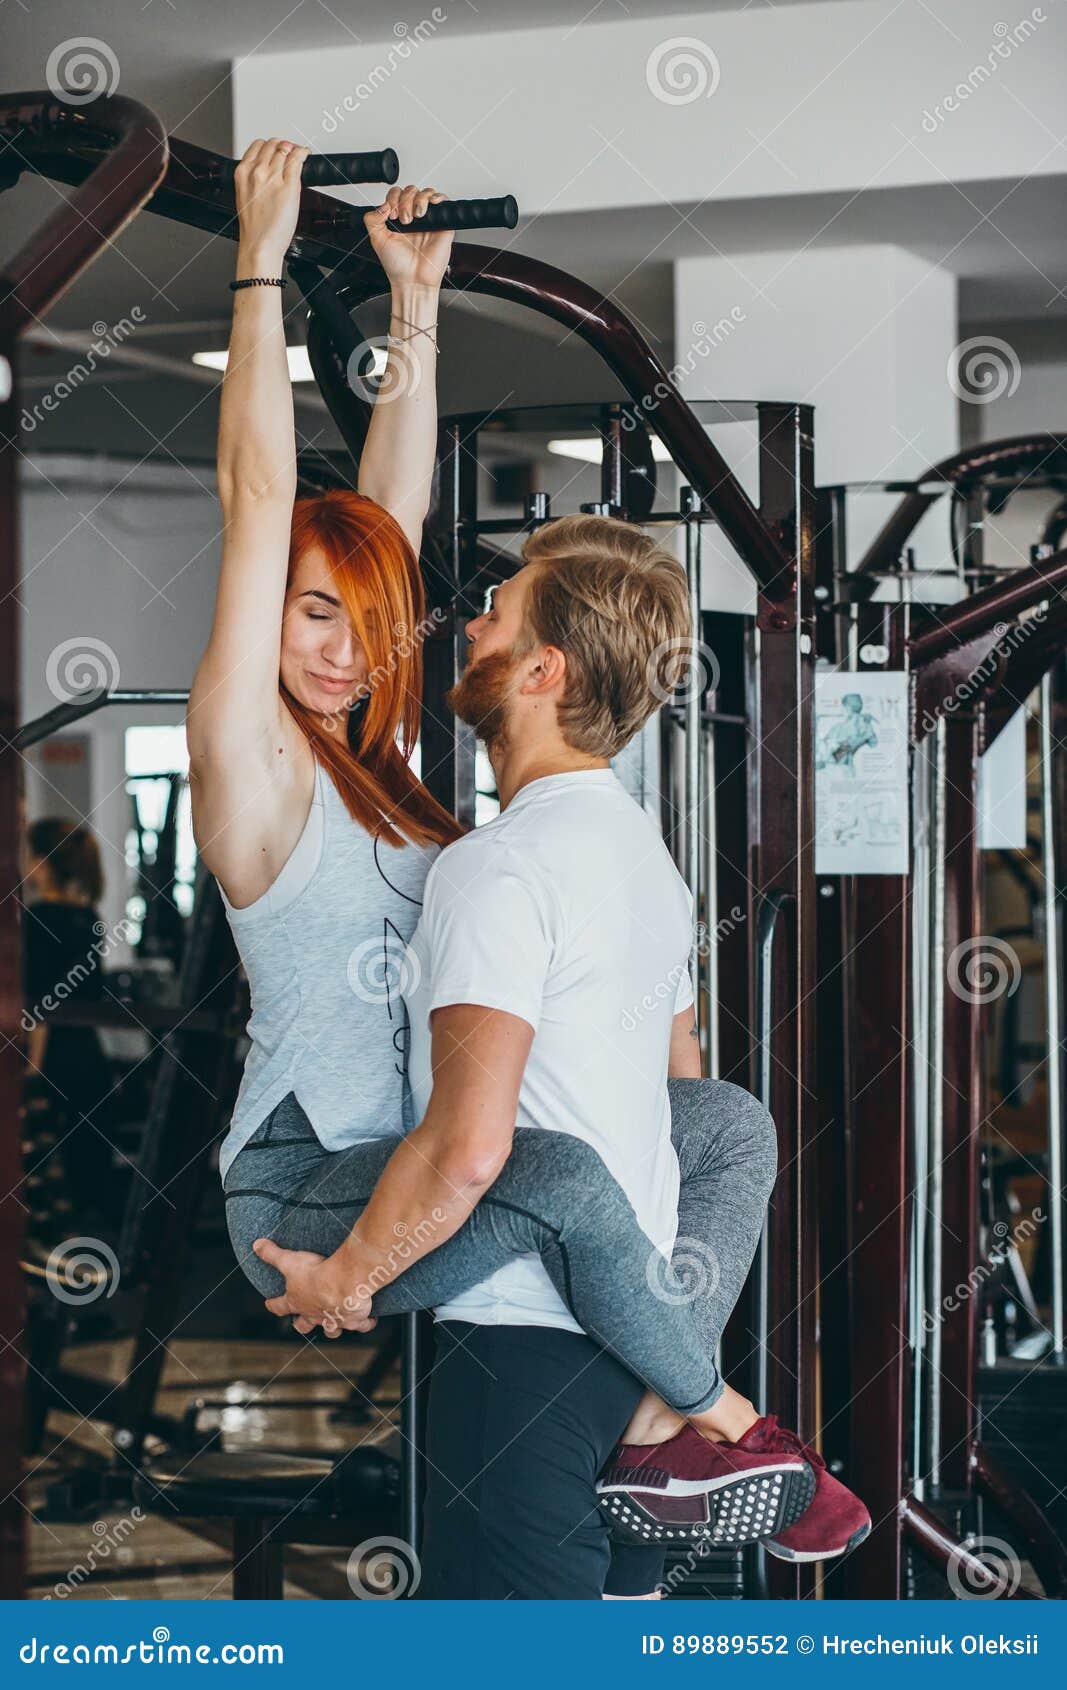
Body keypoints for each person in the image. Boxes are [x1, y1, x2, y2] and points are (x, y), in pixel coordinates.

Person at [201, 138, 868, 1597]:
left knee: (727, 1123)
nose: (336, 644)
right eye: (306, 614)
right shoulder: (248, 761)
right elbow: (262, 500)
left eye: (355, 622)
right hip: (306, 1190)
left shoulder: (389, 767)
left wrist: (413, 306)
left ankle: (649, 1401)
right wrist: (255, 263)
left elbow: (391, 526)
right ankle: (713, 1417)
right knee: (556, 1164)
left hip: (417, 1179)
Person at [21, 817, 118, 1230]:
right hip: (90, 1056)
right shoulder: (89, 917)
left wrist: (32, 1069)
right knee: (87, 1163)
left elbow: (42, 1003)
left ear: (41, 863)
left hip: (56, 1055)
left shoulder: (37, 917)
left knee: (56, 1170)